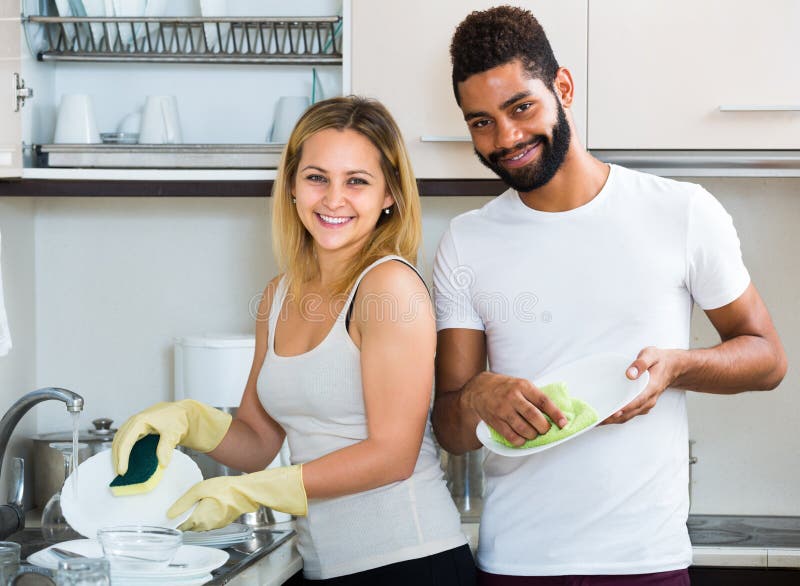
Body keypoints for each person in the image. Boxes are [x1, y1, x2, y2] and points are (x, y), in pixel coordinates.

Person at [431, 6, 787, 586]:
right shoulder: (467, 242)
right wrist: (475, 395)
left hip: (646, 561)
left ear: (562, 87)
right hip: (516, 563)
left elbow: (768, 358)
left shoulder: (680, 211)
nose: (506, 138)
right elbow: (449, 426)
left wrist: (677, 366)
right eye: (481, 122)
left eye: (521, 107)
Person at [112, 96, 476, 584]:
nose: (333, 199)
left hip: (409, 563)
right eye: (316, 177)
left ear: (389, 194)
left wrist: (253, 492)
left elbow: (393, 455)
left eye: (357, 181)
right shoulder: (278, 296)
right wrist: (187, 420)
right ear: (291, 185)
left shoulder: (389, 287)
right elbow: (258, 441)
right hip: (324, 565)